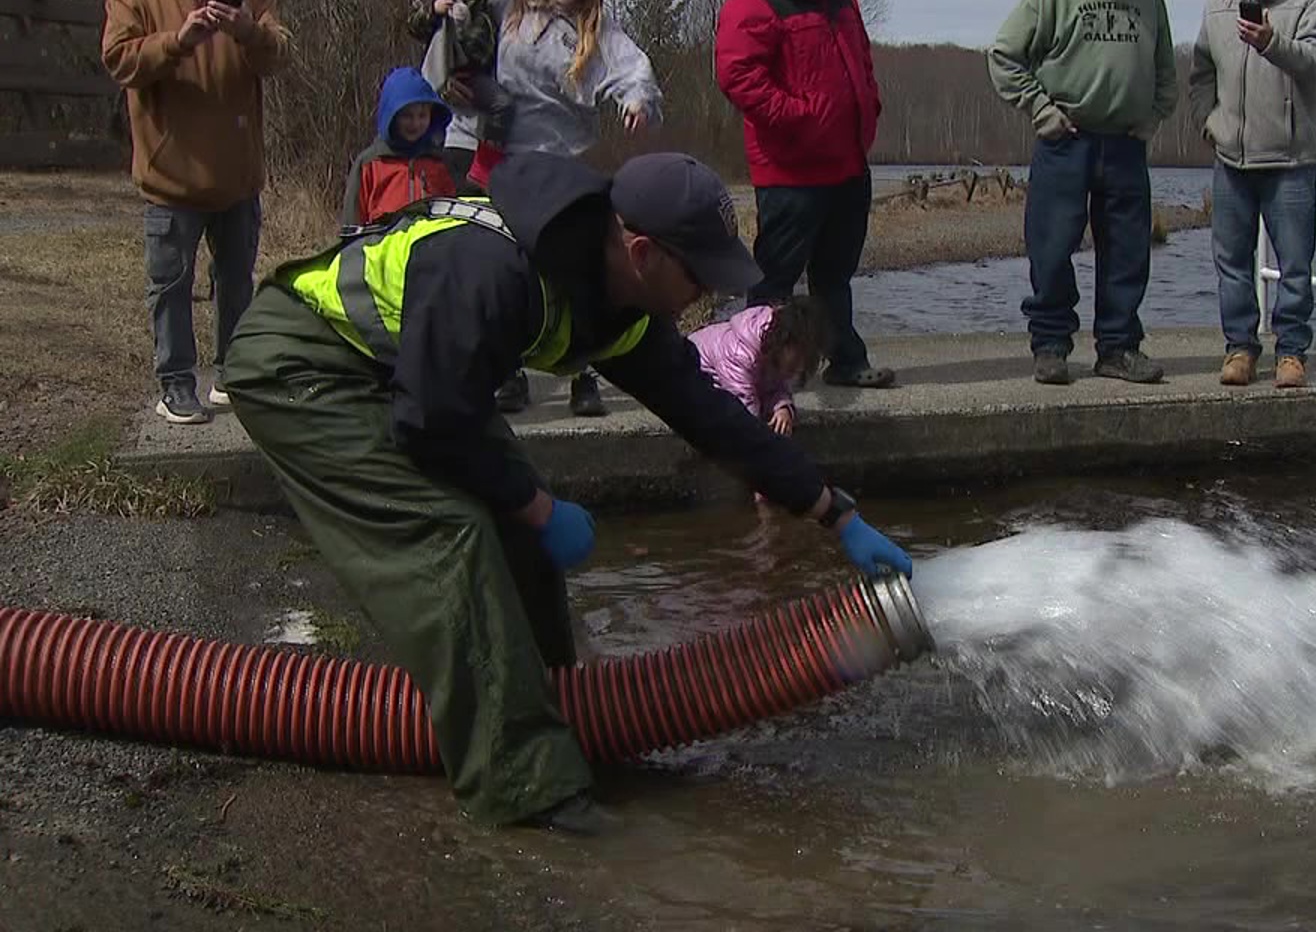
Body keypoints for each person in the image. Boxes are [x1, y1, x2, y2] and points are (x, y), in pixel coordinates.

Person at [221, 151, 914, 835]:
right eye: (698, 275)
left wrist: (831, 509)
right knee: (447, 534)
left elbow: (714, 418)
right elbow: (431, 425)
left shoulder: (617, 301)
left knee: (519, 526)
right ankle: (526, 788)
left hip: (410, 375)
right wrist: (540, 508)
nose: (705, 295)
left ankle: (560, 715)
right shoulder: (490, 266)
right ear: (642, 252)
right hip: (304, 362)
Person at [447, 0, 664, 418]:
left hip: (562, 162)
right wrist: (446, 82)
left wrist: (635, 101)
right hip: (500, 160)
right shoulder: (507, 13)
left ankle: (582, 373)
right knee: (500, 268)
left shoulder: (600, 29)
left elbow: (636, 73)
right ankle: (507, 371)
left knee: (576, 268)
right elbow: (454, 47)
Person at [102, 0, 291, 423]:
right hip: (171, 178)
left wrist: (248, 32)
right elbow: (119, 61)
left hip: (238, 176)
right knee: (171, 286)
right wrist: (178, 41)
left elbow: (279, 56)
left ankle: (234, 373)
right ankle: (176, 383)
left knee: (236, 279)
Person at [987, 0, 1176, 386]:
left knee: (1129, 252)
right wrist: (1040, 109)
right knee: (1050, 249)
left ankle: (1118, 347)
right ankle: (1050, 345)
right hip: (1066, 138)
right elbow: (1004, 56)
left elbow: (1165, 70)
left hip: (1126, 143)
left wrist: (1154, 116)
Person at [714, 0, 893, 390]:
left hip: (847, 164)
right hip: (790, 169)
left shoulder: (842, 0)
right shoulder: (755, 3)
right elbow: (738, 78)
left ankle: (845, 361)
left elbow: (863, 66)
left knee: (835, 277)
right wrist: (799, 117)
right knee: (774, 279)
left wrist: (869, 107)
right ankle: (754, 370)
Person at [1188, 0, 1316, 389]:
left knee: (1294, 264)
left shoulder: (1311, 2)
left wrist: (1274, 42)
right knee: (1230, 262)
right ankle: (1240, 349)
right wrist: (1209, 124)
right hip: (1232, 158)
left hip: (1290, 161)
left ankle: (1291, 352)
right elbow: (1201, 72)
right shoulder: (1217, 7)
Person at [405, 0, 513, 184]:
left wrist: (467, 25)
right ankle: (486, 165)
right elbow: (415, 27)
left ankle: (489, 159)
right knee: (503, 105)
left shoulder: (481, 0)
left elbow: (482, 47)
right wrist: (434, 11)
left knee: (504, 105)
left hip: (473, 75)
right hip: (443, 73)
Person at [689, 295, 832, 438]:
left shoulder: (773, 346)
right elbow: (743, 409)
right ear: (786, 340)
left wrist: (782, 408)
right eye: (796, 362)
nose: (799, 367)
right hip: (692, 382)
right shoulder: (738, 354)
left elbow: (774, 386)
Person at [340, 66, 457, 227]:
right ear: (392, 115)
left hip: (430, 248)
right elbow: (351, 222)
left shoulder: (439, 163)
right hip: (382, 248)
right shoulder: (370, 164)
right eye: (407, 116)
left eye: (422, 116)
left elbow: (453, 217)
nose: (415, 124)